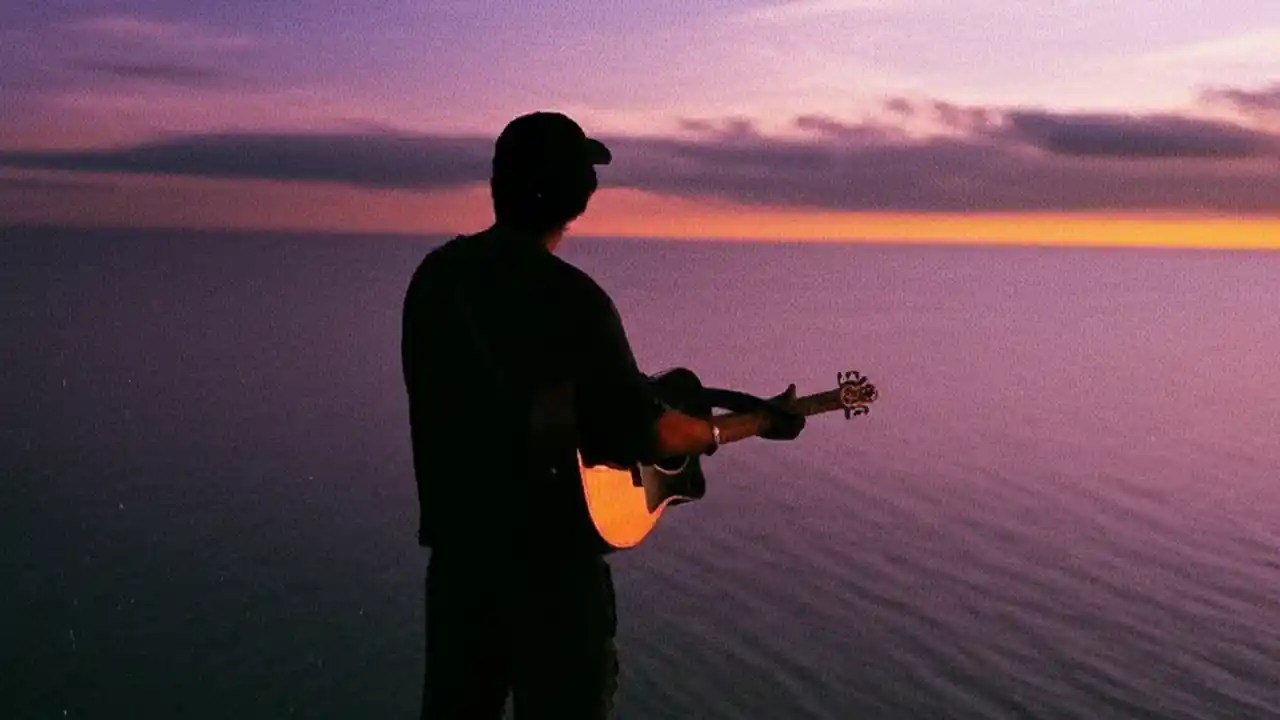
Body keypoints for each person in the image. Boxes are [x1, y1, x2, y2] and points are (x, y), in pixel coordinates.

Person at [401, 111, 806, 719]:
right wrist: (756, 423)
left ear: (499, 184)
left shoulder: (436, 279)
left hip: (460, 568)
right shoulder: (572, 299)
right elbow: (647, 434)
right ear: (577, 198)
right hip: (552, 579)